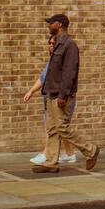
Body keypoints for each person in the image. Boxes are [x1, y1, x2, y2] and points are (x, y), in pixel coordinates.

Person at [32, 13, 100, 174]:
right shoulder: (57, 44)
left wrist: (63, 95)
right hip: (51, 92)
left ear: (60, 25)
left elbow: (69, 73)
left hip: (60, 95)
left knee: (62, 127)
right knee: (52, 129)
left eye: (51, 23)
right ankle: (51, 163)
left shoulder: (69, 45)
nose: (49, 25)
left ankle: (90, 150)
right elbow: (55, 70)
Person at [22, 35, 77, 164]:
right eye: (49, 43)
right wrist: (31, 91)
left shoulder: (60, 61)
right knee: (61, 128)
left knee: (52, 127)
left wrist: (62, 97)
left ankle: (46, 154)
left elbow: (68, 78)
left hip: (59, 99)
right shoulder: (51, 61)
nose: (51, 45)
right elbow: (42, 78)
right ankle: (70, 154)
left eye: (54, 43)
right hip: (50, 98)